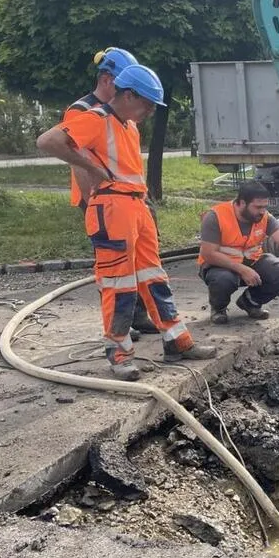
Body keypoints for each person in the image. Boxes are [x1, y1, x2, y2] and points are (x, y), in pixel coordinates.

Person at [36, 64, 216, 380]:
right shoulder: (95, 119)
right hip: (113, 208)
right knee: (118, 282)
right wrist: (91, 168)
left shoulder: (129, 126)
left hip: (136, 205)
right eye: (147, 103)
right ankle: (119, 354)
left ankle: (177, 340)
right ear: (128, 94)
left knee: (152, 275)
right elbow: (48, 141)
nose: (149, 111)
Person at [64, 46, 157, 339]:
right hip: (104, 199)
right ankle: (120, 325)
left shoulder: (122, 115)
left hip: (128, 198)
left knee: (139, 260)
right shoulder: (83, 111)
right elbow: (74, 154)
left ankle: (137, 316)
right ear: (108, 80)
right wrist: (94, 196)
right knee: (114, 263)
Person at [197, 181, 279, 324]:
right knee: (224, 280)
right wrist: (242, 269)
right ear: (242, 203)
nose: (262, 211)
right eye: (258, 207)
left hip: (252, 262)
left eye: (264, 206)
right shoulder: (216, 217)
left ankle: (250, 303)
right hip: (219, 267)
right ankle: (218, 308)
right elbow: (209, 254)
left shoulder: (264, 217)